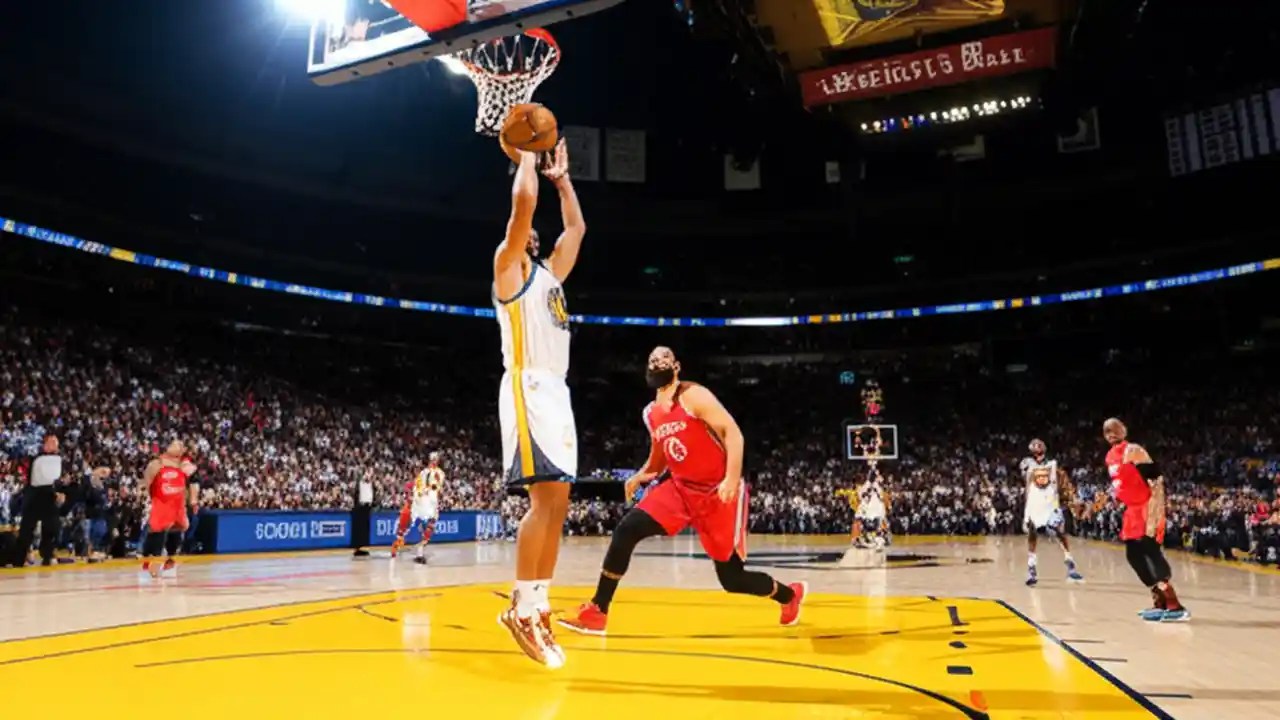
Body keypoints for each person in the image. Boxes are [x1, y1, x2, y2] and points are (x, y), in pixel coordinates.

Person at [558, 346, 806, 636]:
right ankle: (598, 610)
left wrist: (730, 479)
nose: (656, 361)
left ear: (676, 366)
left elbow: (733, 434)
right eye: (651, 359)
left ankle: (789, 596)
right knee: (627, 529)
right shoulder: (650, 413)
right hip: (680, 488)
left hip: (718, 491)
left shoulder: (692, 395)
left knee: (732, 579)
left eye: (663, 357)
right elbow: (660, 457)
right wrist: (642, 475)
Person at [492, 138, 585, 669]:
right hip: (528, 386)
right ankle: (520, 608)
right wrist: (527, 156)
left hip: (558, 389)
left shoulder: (550, 276)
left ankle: (540, 603)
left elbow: (577, 230)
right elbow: (521, 207)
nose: (525, 232)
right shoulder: (508, 268)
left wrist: (562, 180)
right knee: (542, 501)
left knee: (560, 505)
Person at [1103, 418, 1189, 622]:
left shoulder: (1133, 450)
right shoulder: (1110, 457)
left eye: (1115, 429)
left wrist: (1156, 511)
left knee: (1150, 551)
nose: (1111, 433)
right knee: (1133, 555)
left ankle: (1175, 604)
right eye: (1107, 431)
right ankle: (1159, 601)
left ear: (1124, 430)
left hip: (1147, 506)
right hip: (1131, 509)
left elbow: (1156, 480)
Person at [1020, 439, 1084, 586]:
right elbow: (1028, 487)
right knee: (1032, 534)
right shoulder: (1028, 465)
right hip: (1035, 503)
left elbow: (1062, 480)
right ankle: (1031, 568)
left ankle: (1070, 565)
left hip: (1050, 503)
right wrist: (1026, 511)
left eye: (1039, 445)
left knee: (1060, 532)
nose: (1037, 448)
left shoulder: (1053, 464)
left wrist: (1071, 497)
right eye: (1034, 446)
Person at [140, 440, 197, 579]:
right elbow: (147, 481)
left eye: (178, 445)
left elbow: (194, 481)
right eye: (173, 443)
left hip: (177, 502)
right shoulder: (157, 463)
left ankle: (169, 559)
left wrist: (193, 499)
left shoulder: (184, 465)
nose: (174, 445)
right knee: (157, 529)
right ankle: (150, 559)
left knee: (178, 528)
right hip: (161, 500)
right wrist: (147, 496)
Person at [6, 434, 63, 567]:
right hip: (35, 496)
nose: (55, 445)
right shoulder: (37, 458)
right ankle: (18, 559)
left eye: (56, 443)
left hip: (50, 496)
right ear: (45, 444)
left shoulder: (60, 459)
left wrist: (60, 492)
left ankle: (48, 556)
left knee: (51, 528)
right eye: (52, 442)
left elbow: (59, 479)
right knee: (26, 530)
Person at [392, 452, 444, 564]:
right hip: (419, 506)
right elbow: (413, 491)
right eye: (433, 459)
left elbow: (436, 489)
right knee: (407, 528)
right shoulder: (421, 477)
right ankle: (399, 547)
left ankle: (419, 553)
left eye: (436, 459)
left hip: (428, 505)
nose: (435, 461)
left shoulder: (436, 474)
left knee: (427, 529)